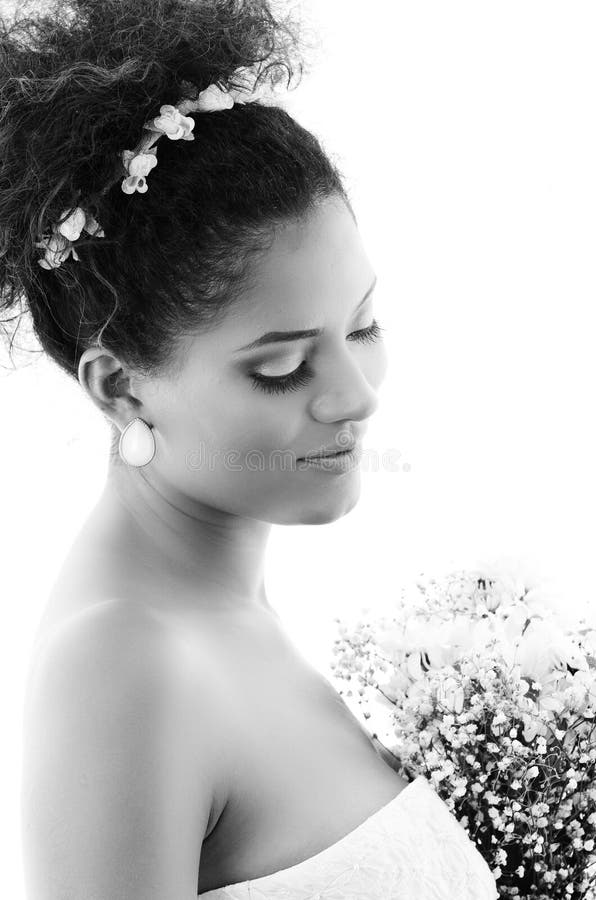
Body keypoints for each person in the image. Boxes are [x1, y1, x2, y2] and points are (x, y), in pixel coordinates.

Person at [5, 0, 499, 897]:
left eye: (366, 325)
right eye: (281, 367)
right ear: (120, 386)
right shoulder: (123, 666)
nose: (356, 394)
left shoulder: (233, 610)